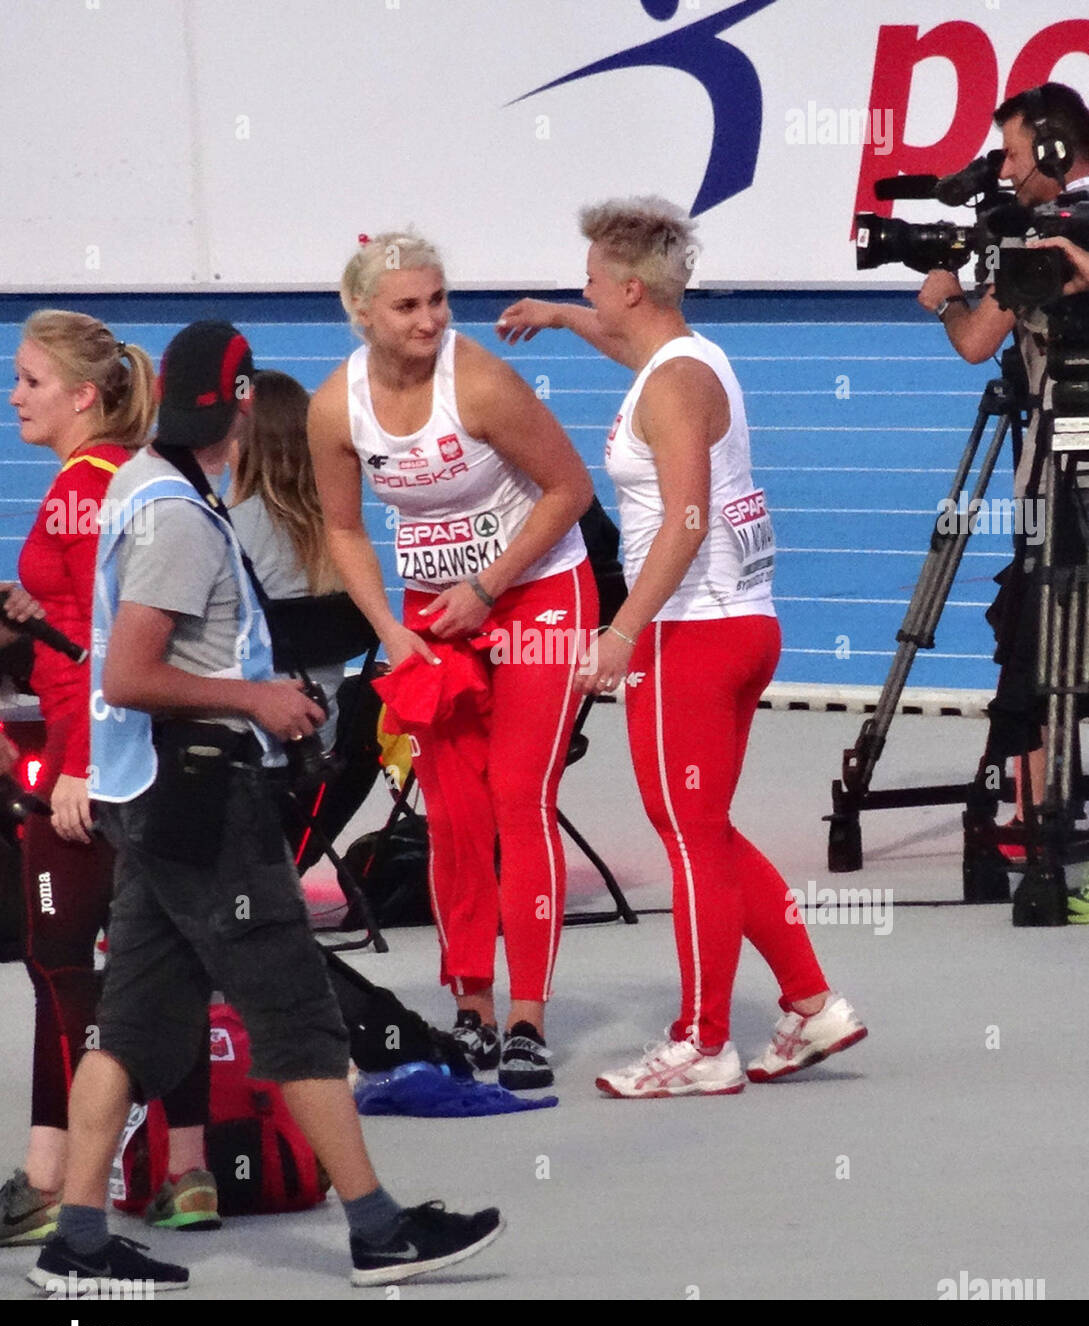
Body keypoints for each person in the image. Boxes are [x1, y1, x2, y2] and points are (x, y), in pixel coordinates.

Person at [28, 320, 502, 1295]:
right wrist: (263, 700)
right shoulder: (180, 516)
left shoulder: (142, 487)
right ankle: (377, 1229)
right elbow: (132, 669)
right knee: (293, 1011)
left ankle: (75, 1239)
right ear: (242, 402)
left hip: (151, 799)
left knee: (127, 1028)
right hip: (203, 801)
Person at [497, 197, 867, 1097]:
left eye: (587, 279)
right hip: (739, 625)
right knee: (702, 828)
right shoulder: (680, 356)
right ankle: (810, 1003)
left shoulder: (669, 386)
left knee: (690, 839)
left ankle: (702, 1043)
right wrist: (554, 318)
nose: (579, 288)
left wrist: (622, 631)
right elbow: (619, 340)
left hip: (688, 632)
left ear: (630, 285)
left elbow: (688, 523)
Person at [308, 233, 597, 1090]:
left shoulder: (477, 381)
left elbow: (570, 489)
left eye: (438, 299)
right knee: (453, 812)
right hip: (431, 619)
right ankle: (471, 1004)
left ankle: (526, 1019)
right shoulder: (336, 407)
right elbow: (343, 529)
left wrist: (489, 582)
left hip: (538, 593)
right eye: (407, 306)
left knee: (518, 797)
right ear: (362, 313)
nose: (431, 318)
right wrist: (392, 635)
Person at [1, 311, 217, 1247]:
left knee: (64, 971)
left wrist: (80, 770)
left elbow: (116, 642)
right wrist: (28, 613)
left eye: (31, 381)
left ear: (84, 396)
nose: (14, 396)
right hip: (130, 757)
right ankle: (188, 1171)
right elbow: (84, 622)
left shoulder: (81, 492)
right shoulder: (115, 483)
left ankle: (52, 1184)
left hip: (97, 770)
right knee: (165, 962)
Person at [916, 83, 1089, 858]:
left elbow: (976, 343)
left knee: (1031, 631)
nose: (1010, 172)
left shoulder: (1046, 239)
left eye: (1015, 155)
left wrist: (947, 298)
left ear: (1055, 150)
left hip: (1059, 478)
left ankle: (1035, 818)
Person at [229, 369, 346, 749]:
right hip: (320, 747)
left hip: (241, 744)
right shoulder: (344, 538)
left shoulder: (225, 532)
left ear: (241, 442)